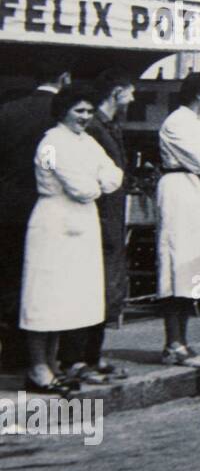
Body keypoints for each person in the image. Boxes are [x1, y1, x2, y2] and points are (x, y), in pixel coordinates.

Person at [20, 87, 123, 394]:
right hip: (54, 223)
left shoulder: (87, 141)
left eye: (90, 111)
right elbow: (81, 188)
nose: (85, 117)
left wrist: (98, 180)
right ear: (63, 110)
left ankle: (52, 366)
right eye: (79, 111)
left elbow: (115, 174)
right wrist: (97, 181)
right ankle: (38, 368)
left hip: (83, 224)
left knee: (66, 299)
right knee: (44, 296)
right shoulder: (50, 143)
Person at [58, 70, 135, 384]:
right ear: (116, 91)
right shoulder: (96, 130)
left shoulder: (108, 126)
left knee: (106, 292)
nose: (133, 99)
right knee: (90, 290)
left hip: (109, 220)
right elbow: (104, 176)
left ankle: (92, 355)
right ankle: (76, 358)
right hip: (97, 220)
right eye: (130, 92)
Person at [0, 59, 71, 373]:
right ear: (64, 78)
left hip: (9, 207)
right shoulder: (64, 117)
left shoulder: (9, 110)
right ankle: (40, 359)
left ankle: (10, 353)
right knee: (45, 284)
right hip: (51, 208)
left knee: (10, 280)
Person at [156, 72, 200, 367]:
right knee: (178, 266)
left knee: (195, 268)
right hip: (182, 194)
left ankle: (181, 342)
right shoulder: (176, 122)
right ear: (199, 93)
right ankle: (174, 343)